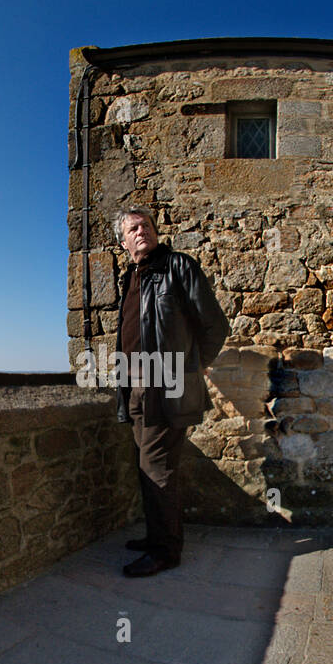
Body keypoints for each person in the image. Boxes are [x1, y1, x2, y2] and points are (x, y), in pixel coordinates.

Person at [108, 207, 230, 579]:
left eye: (146, 225)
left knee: (156, 469)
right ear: (123, 242)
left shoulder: (179, 267)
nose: (141, 230)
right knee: (149, 467)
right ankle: (157, 537)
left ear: (155, 232)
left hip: (166, 385)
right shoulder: (134, 276)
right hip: (136, 389)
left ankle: (165, 551)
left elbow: (215, 326)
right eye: (133, 228)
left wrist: (190, 367)